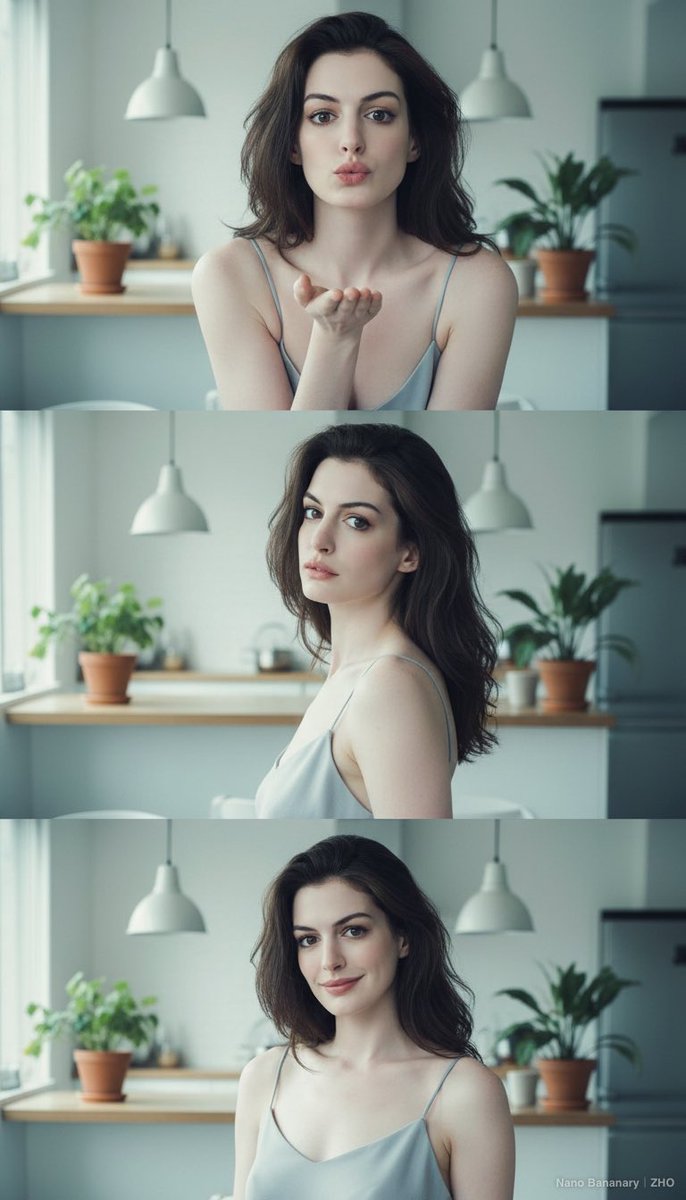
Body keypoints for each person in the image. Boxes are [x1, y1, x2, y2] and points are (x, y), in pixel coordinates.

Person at [192, 12, 517, 411]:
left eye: (379, 114)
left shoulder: (478, 284)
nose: (351, 142)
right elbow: (287, 458)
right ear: (293, 144)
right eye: (322, 116)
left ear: (414, 140)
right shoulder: (230, 276)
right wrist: (334, 338)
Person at [234, 834, 515, 1200]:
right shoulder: (264, 1078)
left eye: (353, 931)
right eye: (308, 939)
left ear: (403, 937)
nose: (329, 960)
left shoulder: (465, 1092)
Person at [254, 423, 499, 819]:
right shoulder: (356, 674)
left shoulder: (389, 686)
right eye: (313, 512)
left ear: (410, 552)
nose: (319, 539)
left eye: (357, 521)